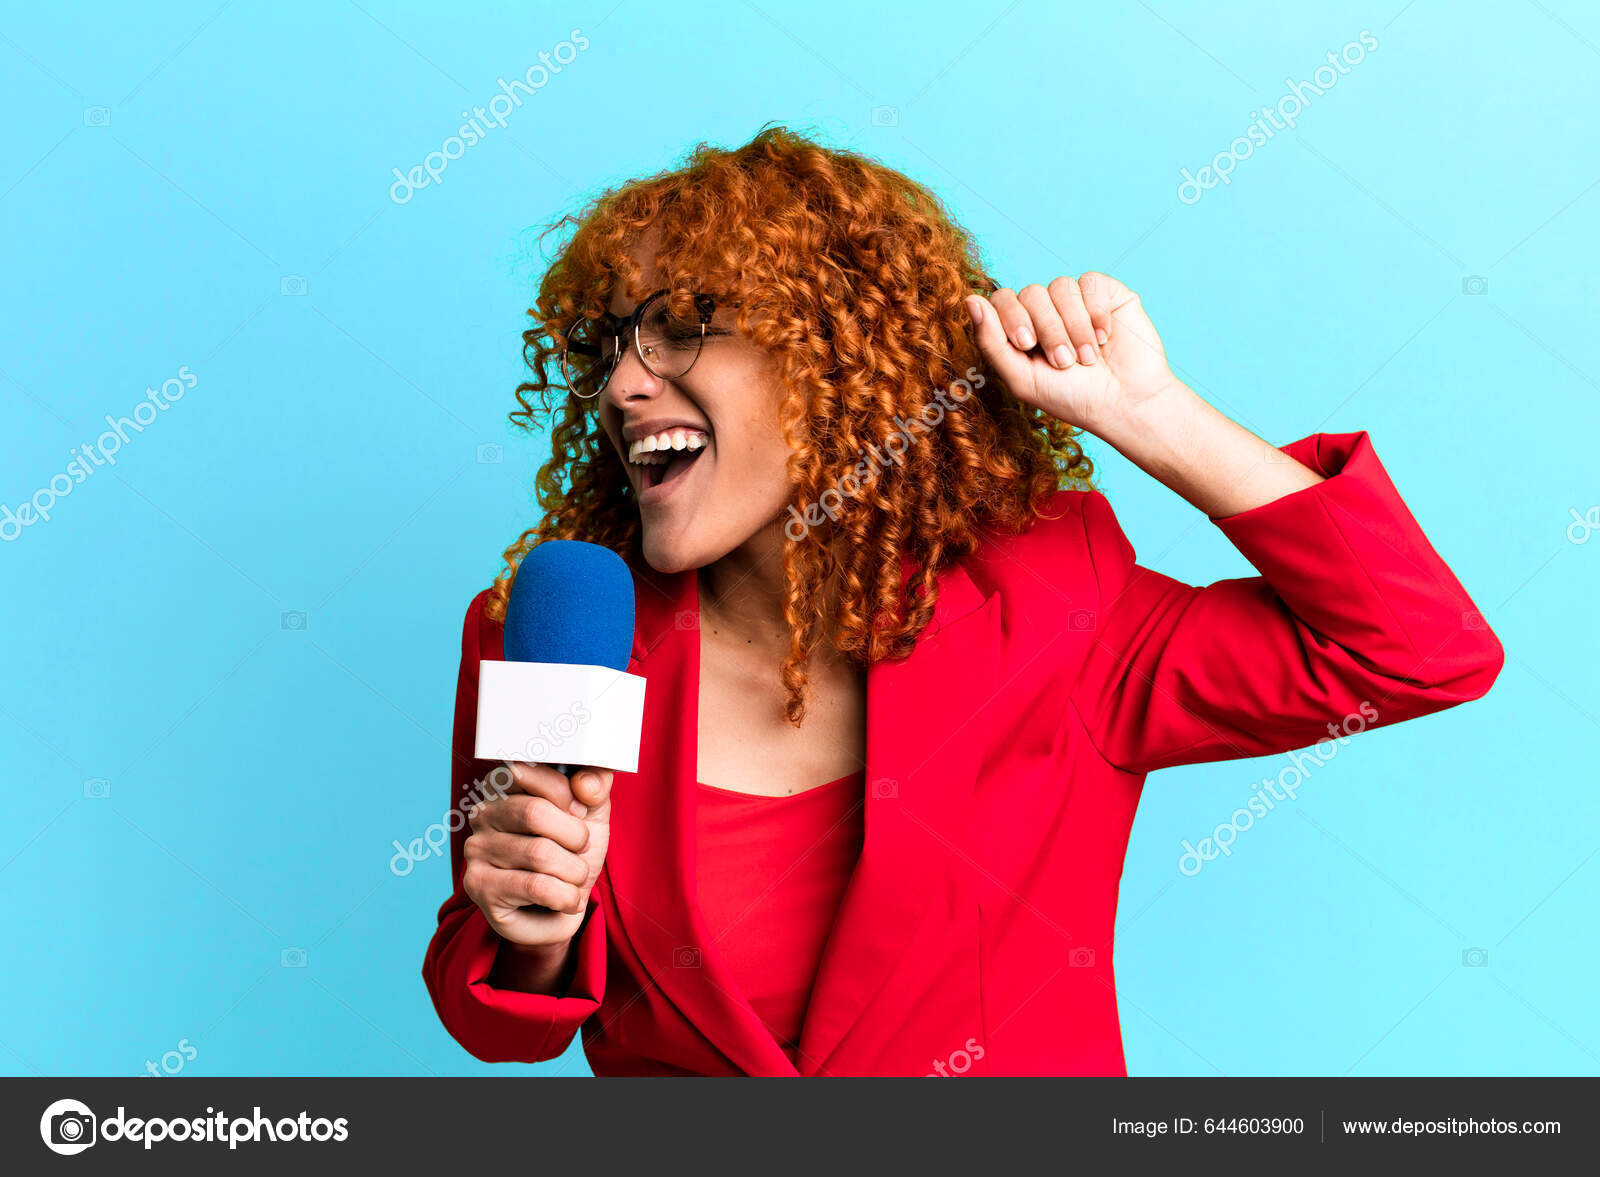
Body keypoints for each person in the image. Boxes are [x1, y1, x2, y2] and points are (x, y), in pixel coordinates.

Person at [422, 126, 1502, 1076]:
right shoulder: (555, 640)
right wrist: (533, 928)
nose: (621, 384)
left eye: (685, 323)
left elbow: (1416, 650)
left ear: (838, 353)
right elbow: (503, 1022)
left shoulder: (1056, 623)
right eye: (606, 345)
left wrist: (1152, 414)